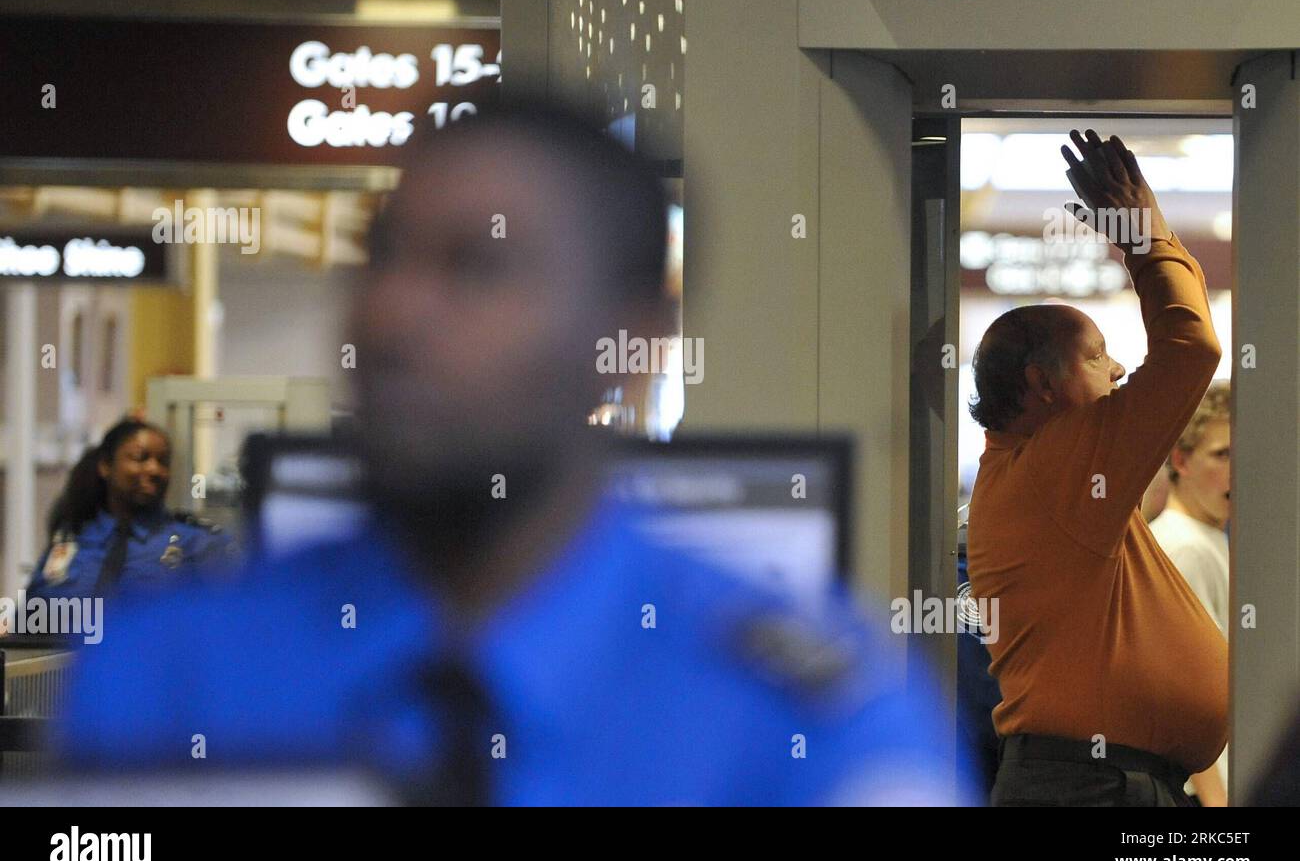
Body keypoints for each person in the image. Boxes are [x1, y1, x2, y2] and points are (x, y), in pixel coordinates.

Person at [54, 101, 969, 806]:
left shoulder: (800, 715)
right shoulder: (167, 673)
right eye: (383, 256)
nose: (393, 314)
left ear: (631, 338)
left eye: (477, 267)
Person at [966, 130, 1226, 807]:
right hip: (1092, 787)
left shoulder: (1035, 472)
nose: (1117, 369)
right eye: (1097, 354)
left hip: (1098, 780)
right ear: (1042, 384)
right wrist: (1143, 235)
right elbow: (1190, 347)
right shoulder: (1053, 465)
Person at [25, 418, 230, 600]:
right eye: (140, 458)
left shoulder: (195, 545)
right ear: (106, 466)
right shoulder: (73, 537)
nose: (154, 469)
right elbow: (30, 619)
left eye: (163, 461)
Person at [1150, 380, 1231, 805]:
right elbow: (1184, 697)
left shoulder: (1209, 538)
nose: (1239, 469)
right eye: (1223, 454)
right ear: (1180, 460)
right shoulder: (1184, 547)